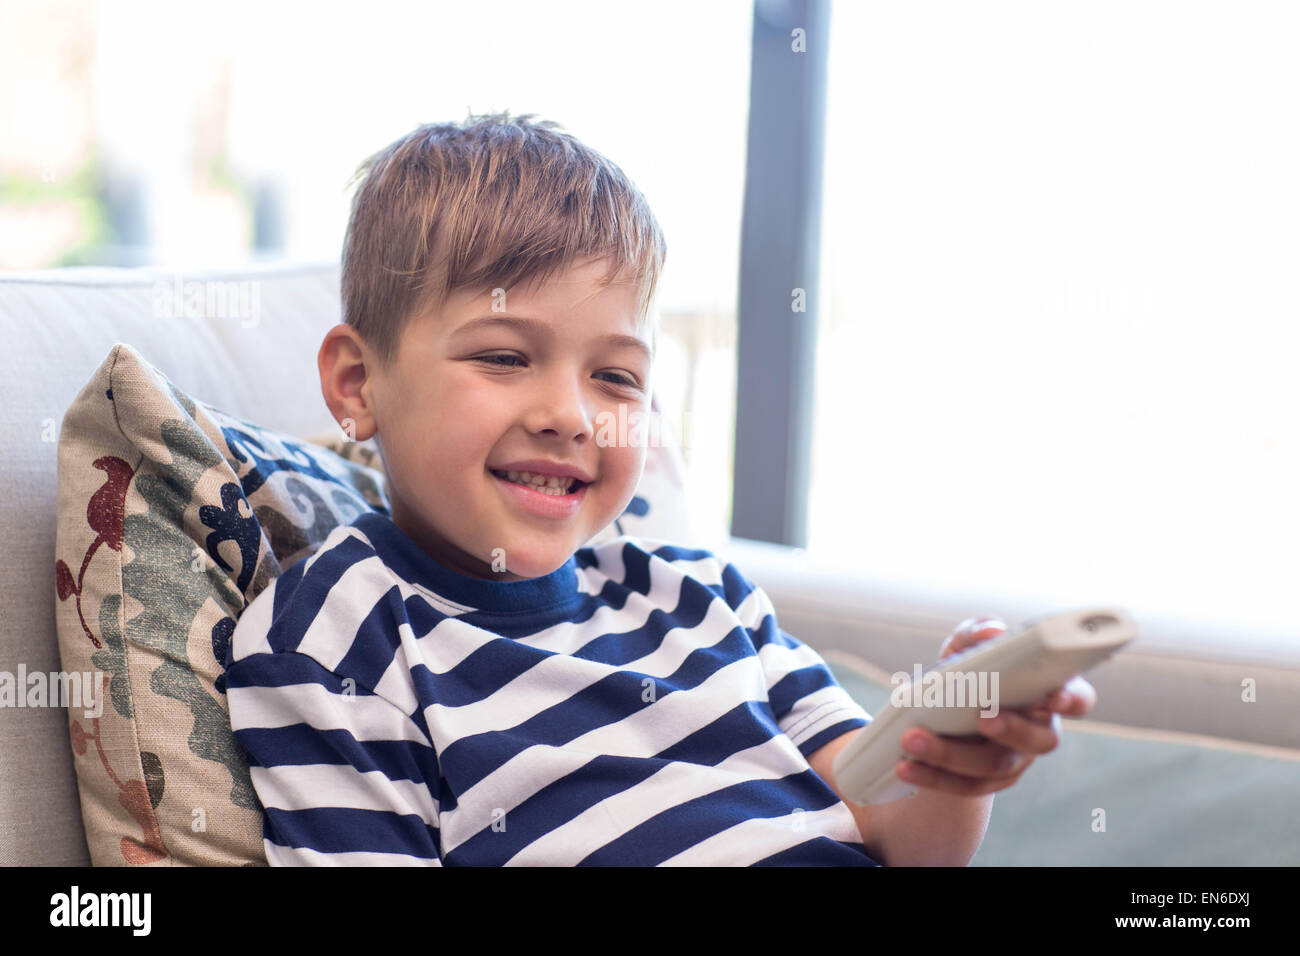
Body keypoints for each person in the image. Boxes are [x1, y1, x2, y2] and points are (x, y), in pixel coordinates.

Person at [224, 111, 1096, 866]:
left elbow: (895, 834)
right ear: (355, 382)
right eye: (503, 356)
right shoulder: (335, 644)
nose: (573, 415)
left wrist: (948, 767)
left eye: (616, 377)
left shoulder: (706, 601)